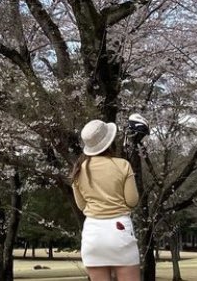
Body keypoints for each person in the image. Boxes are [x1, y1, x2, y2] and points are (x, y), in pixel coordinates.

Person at [71, 119, 140, 281]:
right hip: (119, 231)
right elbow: (132, 201)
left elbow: (82, 206)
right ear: (109, 141)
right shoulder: (122, 165)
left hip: (93, 233)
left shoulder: (78, 171)